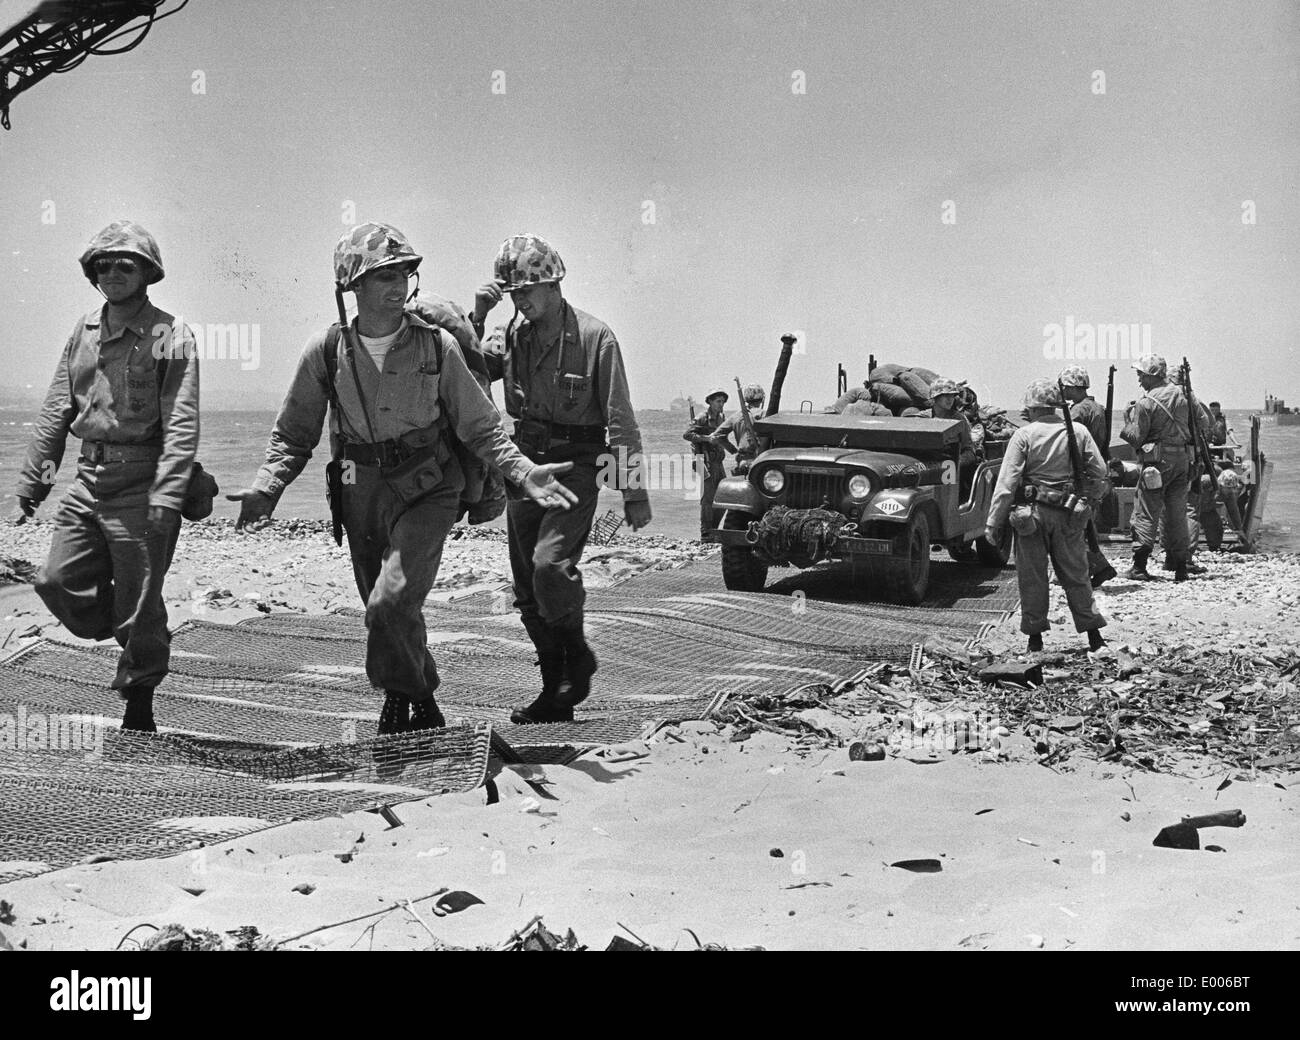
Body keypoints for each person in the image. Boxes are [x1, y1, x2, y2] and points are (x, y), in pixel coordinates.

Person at [228, 223, 578, 735]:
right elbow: (293, 434)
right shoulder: (327, 351)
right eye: (383, 275)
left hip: (429, 487)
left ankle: (405, 697)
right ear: (353, 285)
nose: (397, 285)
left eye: (404, 273)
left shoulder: (436, 346)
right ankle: (415, 697)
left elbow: (480, 426)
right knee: (389, 609)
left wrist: (523, 472)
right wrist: (268, 487)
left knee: (390, 599)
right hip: (360, 492)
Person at [14, 220, 198, 732]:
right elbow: (56, 410)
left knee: (140, 601)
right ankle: (128, 621)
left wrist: (170, 490)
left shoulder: (170, 332)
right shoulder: (83, 330)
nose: (113, 272)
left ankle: (139, 702)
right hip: (86, 476)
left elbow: (181, 420)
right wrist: (31, 488)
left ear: (146, 272)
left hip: (143, 480)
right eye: (104, 264)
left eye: (126, 264)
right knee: (55, 579)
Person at [473, 234, 652, 724]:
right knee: (527, 585)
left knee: (551, 567)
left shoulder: (597, 338)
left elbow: (621, 419)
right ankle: (555, 691)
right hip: (525, 465)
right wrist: (479, 316)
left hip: (576, 464)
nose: (521, 300)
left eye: (529, 290)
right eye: (514, 293)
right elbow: (465, 376)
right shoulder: (509, 335)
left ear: (555, 284)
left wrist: (633, 491)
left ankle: (577, 655)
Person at [986, 379, 1109, 655]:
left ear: (1031, 406)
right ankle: (1094, 636)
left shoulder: (1024, 436)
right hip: (1069, 514)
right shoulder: (1077, 431)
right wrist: (1087, 495)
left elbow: (1006, 483)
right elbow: (1099, 472)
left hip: (1032, 515)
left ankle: (1035, 639)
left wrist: (993, 523)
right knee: (1077, 575)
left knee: (1032, 578)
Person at [1120, 354, 1208, 582]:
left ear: (1151, 375)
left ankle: (1139, 567)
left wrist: (1127, 419)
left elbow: (1136, 438)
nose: (1139, 380)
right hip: (1182, 462)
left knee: (1146, 511)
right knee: (1178, 513)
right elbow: (1204, 424)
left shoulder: (1146, 403)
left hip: (1156, 466)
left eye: (1141, 375)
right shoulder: (1186, 396)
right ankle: (1181, 567)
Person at [1059, 364, 1117, 587]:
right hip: (1094, 472)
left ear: (1073, 387)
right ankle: (1092, 567)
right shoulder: (1097, 408)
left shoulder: (1078, 411)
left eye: (1065, 387)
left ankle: (1096, 567)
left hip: (1080, 474)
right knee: (1084, 525)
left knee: (1072, 526)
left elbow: (1066, 443)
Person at [684, 390, 728, 538]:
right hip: (703, 460)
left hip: (717, 460)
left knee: (725, 495)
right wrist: (707, 438)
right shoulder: (702, 417)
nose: (721, 404)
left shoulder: (722, 417)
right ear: (710, 402)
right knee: (708, 497)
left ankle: (713, 528)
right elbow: (687, 435)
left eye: (723, 401)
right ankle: (706, 532)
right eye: (718, 401)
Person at [711, 383, 770, 472]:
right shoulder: (765, 415)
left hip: (743, 462)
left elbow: (717, 435)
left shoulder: (735, 416)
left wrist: (732, 449)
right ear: (761, 399)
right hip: (762, 461)